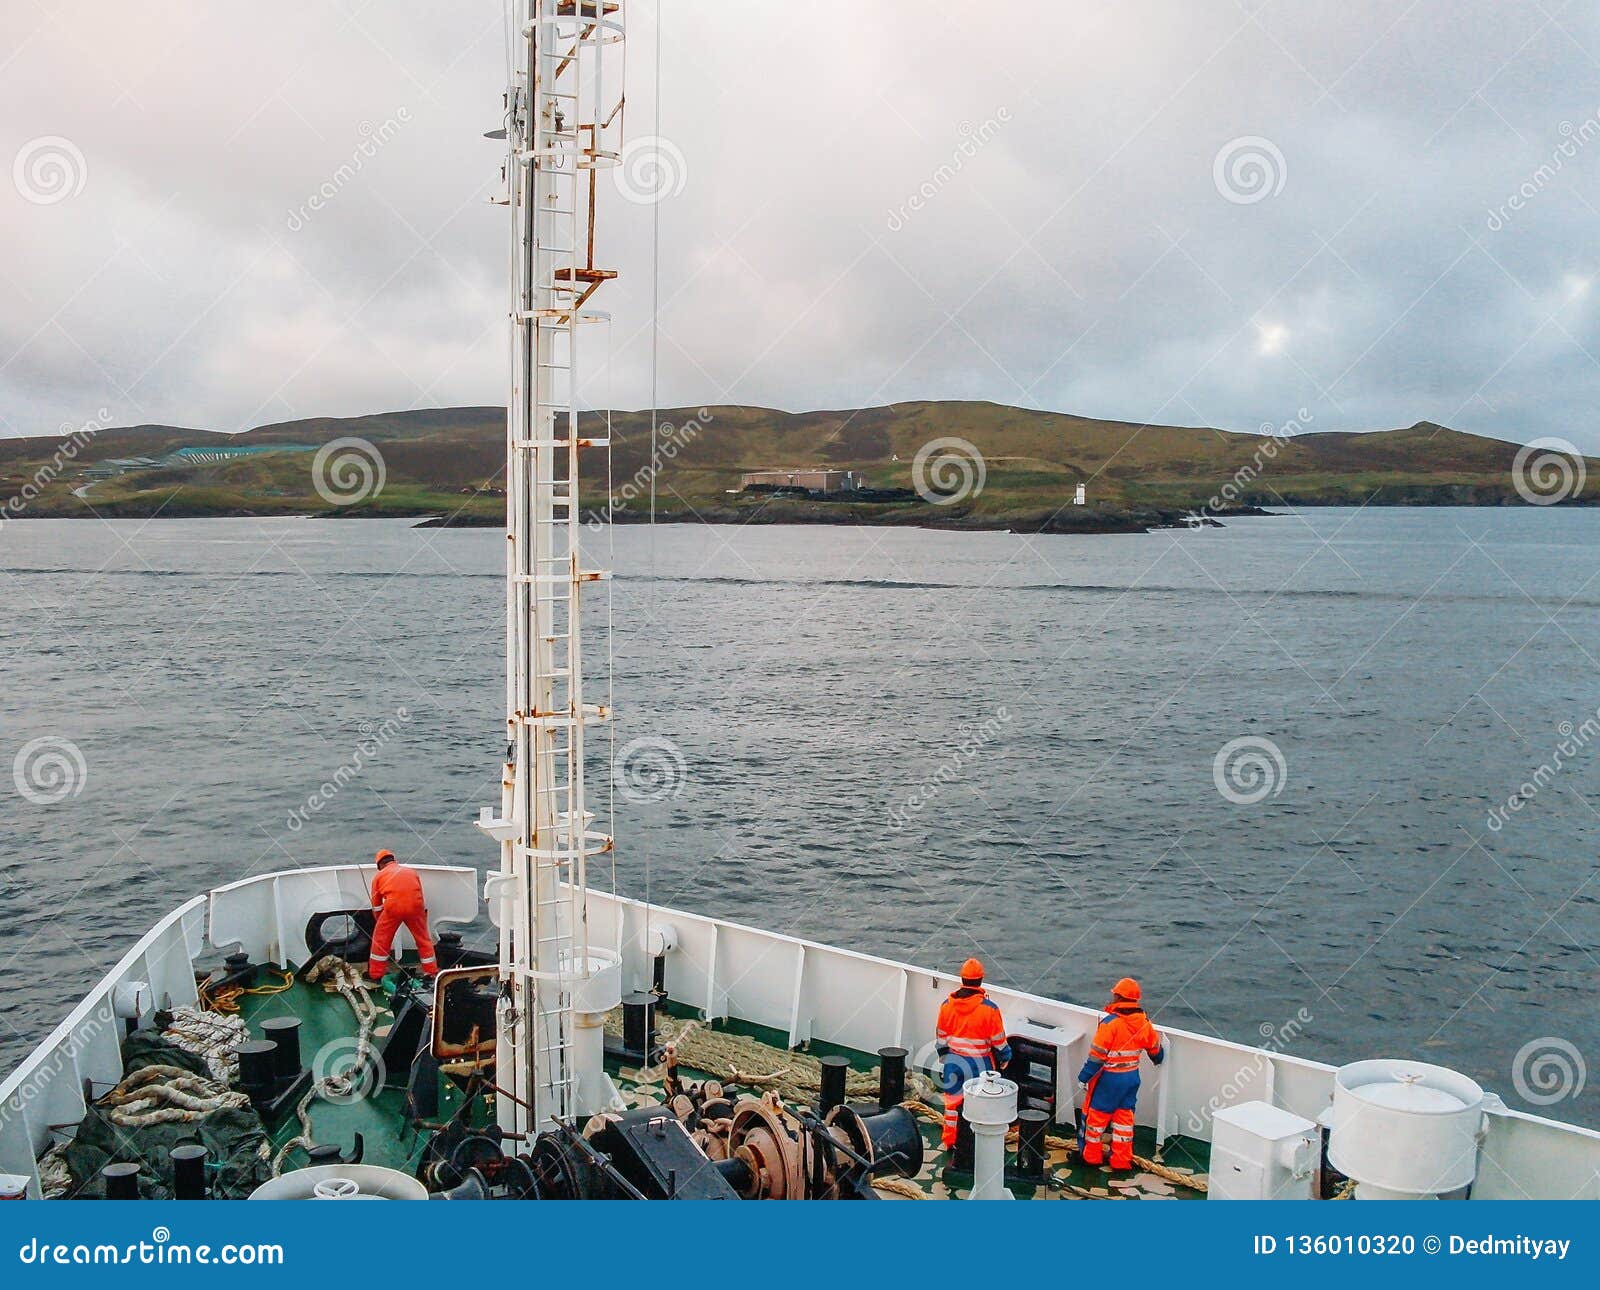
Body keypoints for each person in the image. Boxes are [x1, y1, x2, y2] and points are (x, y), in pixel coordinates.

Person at [1077, 976, 1164, 1170]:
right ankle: (1121, 1160)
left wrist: (1084, 1077)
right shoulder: (1144, 1023)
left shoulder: (1110, 1024)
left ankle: (1090, 1156)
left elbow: (1097, 1056)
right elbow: (1156, 1051)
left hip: (1108, 1080)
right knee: (1124, 1118)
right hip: (1131, 1078)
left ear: (1117, 997)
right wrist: (1158, 1059)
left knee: (1096, 1119)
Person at [935, 958, 1012, 1150]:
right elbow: (999, 1041)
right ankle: (975, 1143)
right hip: (980, 1064)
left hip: (954, 1061)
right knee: (979, 1103)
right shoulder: (990, 1009)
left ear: (962, 979)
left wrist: (945, 1057)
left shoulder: (947, 1005)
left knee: (952, 1104)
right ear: (980, 980)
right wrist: (1005, 1057)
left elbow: (941, 1037)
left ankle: (951, 1140)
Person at [367, 849, 439, 981]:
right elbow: (419, 894)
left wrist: (380, 922)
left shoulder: (379, 876)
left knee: (381, 940)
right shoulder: (411, 872)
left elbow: (376, 905)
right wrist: (421, 915)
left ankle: (376, 974)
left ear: (380, 865)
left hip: (393, 907)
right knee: (423, 939)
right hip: (415, 907)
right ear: (393, 860)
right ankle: (431, 972)